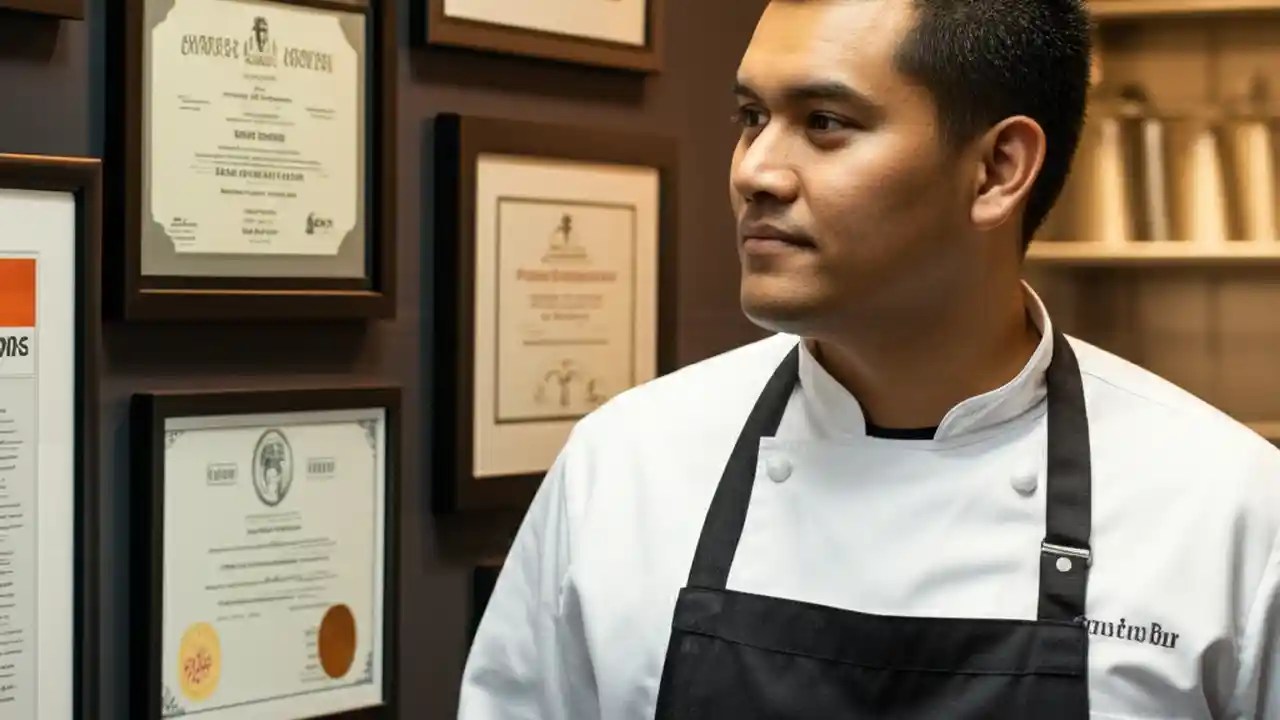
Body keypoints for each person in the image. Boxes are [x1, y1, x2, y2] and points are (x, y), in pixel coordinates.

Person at [457, 0, 1280, 717]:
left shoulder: (1226, 510)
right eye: (751, 116)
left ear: (997, 169)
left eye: (824, 122)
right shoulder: (626, 465)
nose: (755, 171)